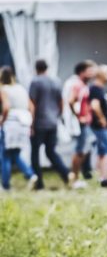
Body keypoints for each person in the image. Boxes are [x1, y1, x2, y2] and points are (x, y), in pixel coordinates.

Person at [28, 60, 70, 190]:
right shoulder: (56, 81)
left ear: (36, 69)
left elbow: (32, 104)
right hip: (52, 122)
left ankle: (39, 182)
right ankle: (66, 174)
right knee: (51, 152)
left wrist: (31, 123)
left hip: (39, 122)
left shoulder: (35, 82)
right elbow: (61, 102)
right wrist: (58, 116)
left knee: (35, 153)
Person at [0, 67, 37, 190]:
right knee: (15, 152)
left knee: (5, 154)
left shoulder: (3, 89)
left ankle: (5, 185)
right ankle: (30, 174)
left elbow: (6, 107)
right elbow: (31, 107)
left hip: (10, 124)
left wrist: (2, 120)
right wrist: (30, 124)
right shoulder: (21, 88)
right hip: (24, 123)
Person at [67, 61, 95, 189]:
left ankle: (76, 177)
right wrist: (79, 116)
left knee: (83, 150)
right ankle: (74, 178)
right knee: (79, 151)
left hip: (86, 122)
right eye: (89, 70)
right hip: (81, 124)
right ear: (82, 72)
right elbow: (71, 101)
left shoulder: (84, 85)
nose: (92, 73)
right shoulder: (77, 85)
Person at [89, 65, 107, 188]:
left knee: (101, 152)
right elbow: (94, 105)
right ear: (101, 75)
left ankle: (100, 177)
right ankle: (105, 178)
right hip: (101, 127)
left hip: (100, 126)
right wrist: (102, 119)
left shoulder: (99, 89)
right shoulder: (95, 89)